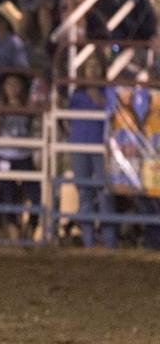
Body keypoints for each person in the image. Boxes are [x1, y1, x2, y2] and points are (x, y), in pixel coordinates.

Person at [66, 59, 115, 248]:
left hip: (101, 147)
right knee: (84, 191)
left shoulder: (108, 92)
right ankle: (88, 240)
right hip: (80, 145)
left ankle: (109, 241)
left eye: (97, 66)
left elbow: (114, 113)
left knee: (105, 192)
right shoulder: (77, 94)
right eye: (90, 67)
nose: (93, 70)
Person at [0, 74, 39, 240]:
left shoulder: (28, 106)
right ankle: (14, 233)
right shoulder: (0, 108)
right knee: (8, 197)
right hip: (5, 156)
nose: (13, 88)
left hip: (24, 156)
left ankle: (29, 229)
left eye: (16, 84)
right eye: (9, 84)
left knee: (36, 195)